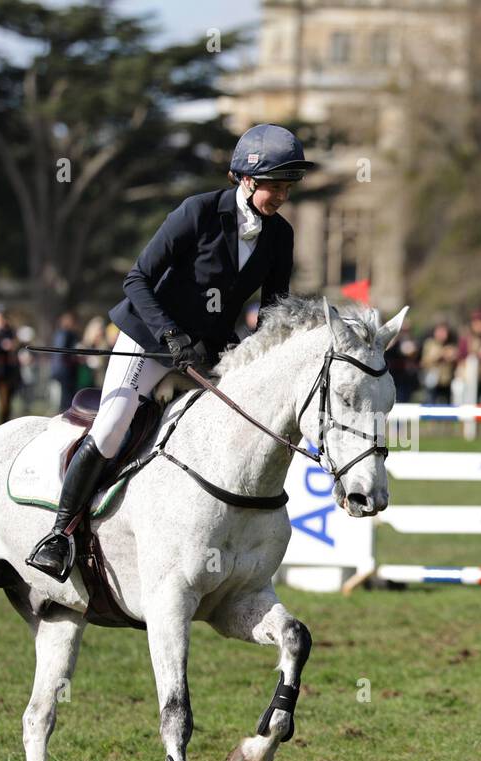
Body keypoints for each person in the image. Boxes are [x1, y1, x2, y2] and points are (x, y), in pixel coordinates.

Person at [27, 123, 312, 581]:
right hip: (149, 336)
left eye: (287, 187)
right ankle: (60, 534)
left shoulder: (280, 236)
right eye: (274, 185)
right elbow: (136, 279)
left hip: (208, 350)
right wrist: (170, 336)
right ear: (245, 179)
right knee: (113, 426)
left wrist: (256, 355)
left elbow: (274, 310)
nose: (281, 195)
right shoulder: (197, 213)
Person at [50, 311, 82, 412]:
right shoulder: (66, 334)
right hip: (66, 370)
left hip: (62, 369)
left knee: (65, 396)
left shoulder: (60, 333)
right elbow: (63, 352)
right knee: (67, 397)